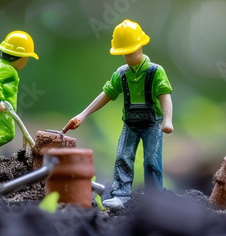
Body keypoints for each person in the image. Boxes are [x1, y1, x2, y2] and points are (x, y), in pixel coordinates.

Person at [65, 19, 173, 209]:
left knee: (152, 161)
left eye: (131, 51)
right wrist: (82, 115)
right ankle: (121, 196)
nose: (128, 56)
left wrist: (168, 120)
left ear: (141, 46)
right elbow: (106, 94)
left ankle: (155, 200)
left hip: (152, 124)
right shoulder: (122, 74)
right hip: (130, 124)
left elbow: (165, 96)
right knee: (123, 157)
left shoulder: (156, 72)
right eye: (124, 53)